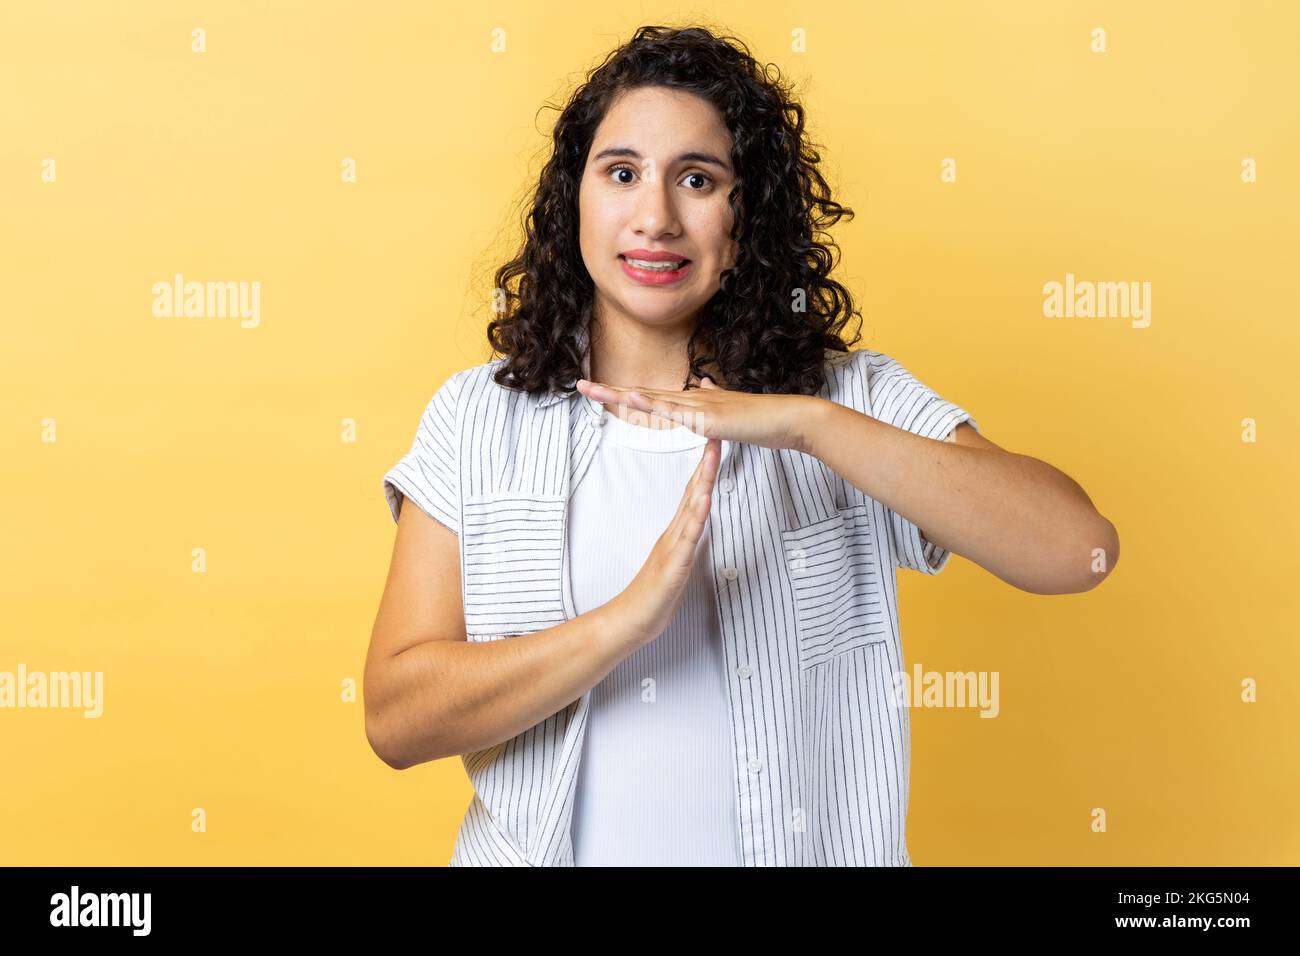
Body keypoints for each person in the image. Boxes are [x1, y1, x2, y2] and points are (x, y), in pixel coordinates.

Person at [363, 25, 1119, 866]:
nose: (655, 217)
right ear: (574, 198)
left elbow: (1077, 550)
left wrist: (805, 422)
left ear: (745, 212)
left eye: (697, 179)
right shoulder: (478, 418)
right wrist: (623, 623)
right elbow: (396, 722)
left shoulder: (847, 398)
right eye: (621, 173)